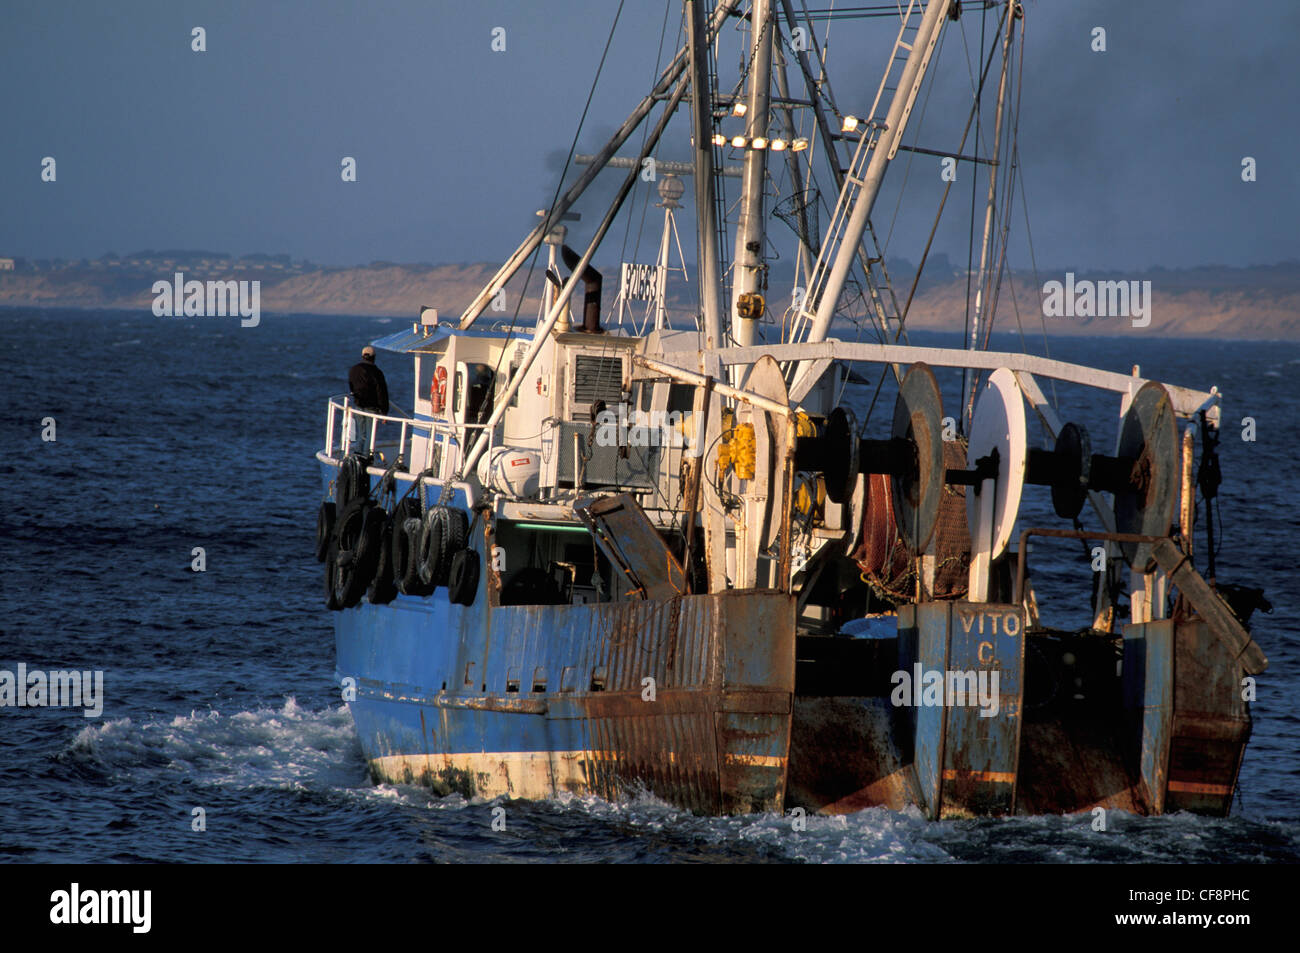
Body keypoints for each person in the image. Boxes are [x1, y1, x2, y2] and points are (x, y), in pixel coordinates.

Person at [347, 345, 389, 453]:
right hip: (371, 408)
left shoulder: (353, 369)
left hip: (358, 406)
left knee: (361, 435)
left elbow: (351, 386)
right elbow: (381, 392)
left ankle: (357, 456)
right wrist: (384, 411)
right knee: (370, 436)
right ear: (374, 357)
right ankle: (366, 459)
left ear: (362, 356)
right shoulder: (377, 372)